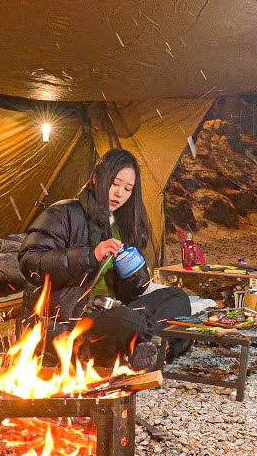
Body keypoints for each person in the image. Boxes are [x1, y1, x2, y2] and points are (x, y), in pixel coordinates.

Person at [19, 148, 189, 368]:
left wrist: (133, 274)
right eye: (115, 184)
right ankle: (154, 344)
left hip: (114, 312)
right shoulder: (63, 213)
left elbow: (131, 293)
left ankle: (148, 348)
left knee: (177, 298)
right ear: (96, 178)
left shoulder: (122, 225)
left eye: (128, 189)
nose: (119, 194)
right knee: (128, 321)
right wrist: (91, 255)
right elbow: (30, 261)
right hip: (73, 322)